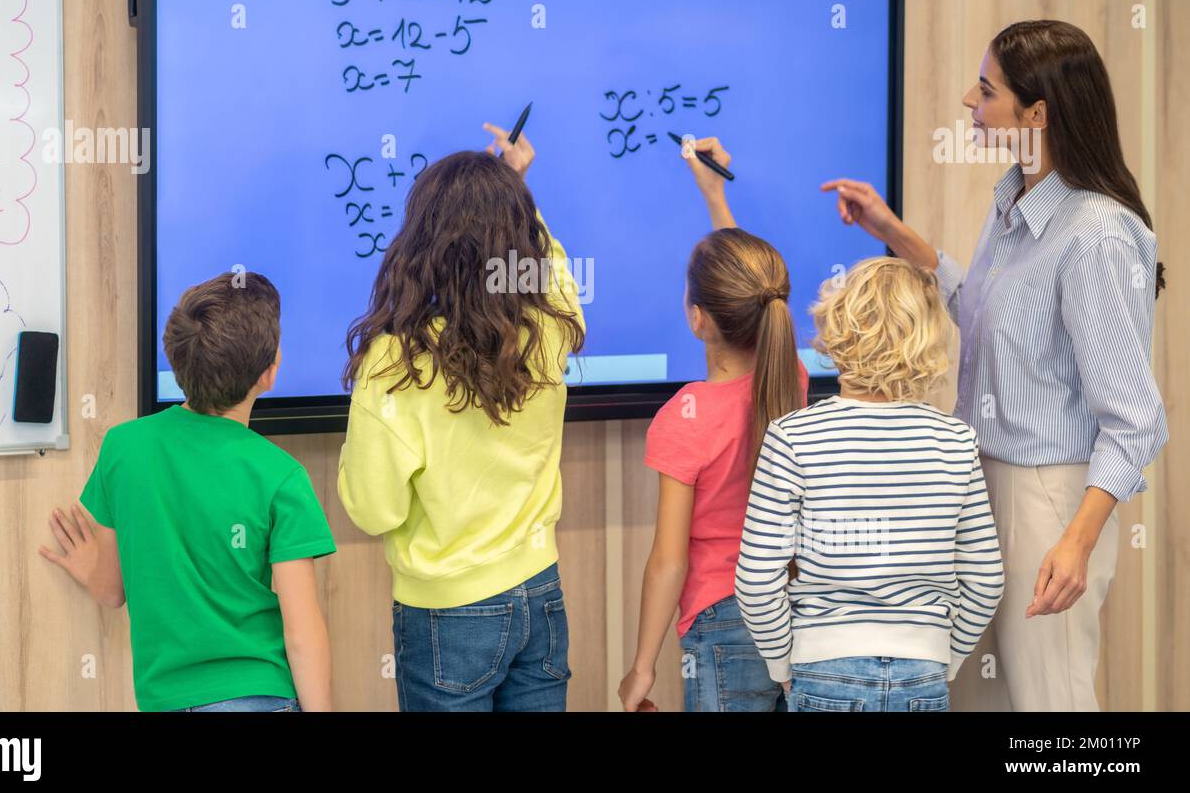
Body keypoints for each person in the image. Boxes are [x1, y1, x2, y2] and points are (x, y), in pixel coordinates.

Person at [821, 20, 1167, 710]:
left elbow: (1136, 423)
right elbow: (977, 308)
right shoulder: (1012, 199)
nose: (966, 101)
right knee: (984, 700)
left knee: (1049, 706)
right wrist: (890, 231)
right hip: (980, 485)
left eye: (985, 90)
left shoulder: (1097, 234)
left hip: (1051, 500)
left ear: (1036, 113)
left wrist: (1076, 542)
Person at [337, 125, 585, 712]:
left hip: (448, 613)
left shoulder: (397, 361)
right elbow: (551, 266)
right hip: (541, 592)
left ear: (422, 242)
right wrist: (517, 192)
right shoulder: (549, 327)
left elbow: (375, 508)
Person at [40, 271, 337, 712]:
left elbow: (111, 591)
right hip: (260, 694)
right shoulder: (282, 475)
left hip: (165, 700)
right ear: (270, 371)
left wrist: (89, 566)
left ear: (176, 360)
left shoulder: (124, 447)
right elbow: (301, 631)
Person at [736, 257, 1005, 712]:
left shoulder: (792, 437)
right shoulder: (956, 441)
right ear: (927, 339)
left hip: (823, 668)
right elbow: (986, 579)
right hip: (922, 672)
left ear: (836, 328)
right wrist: (946, 655)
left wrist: (784, 663)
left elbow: (757, 581)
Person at [619, 137, 807, 712]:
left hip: (723, 625)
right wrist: (715, 198)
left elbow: (669, 559)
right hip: (796, 613)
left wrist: (642, 668)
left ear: (697, 318)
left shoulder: (684, 417)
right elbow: (757, 294)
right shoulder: (791, 379)